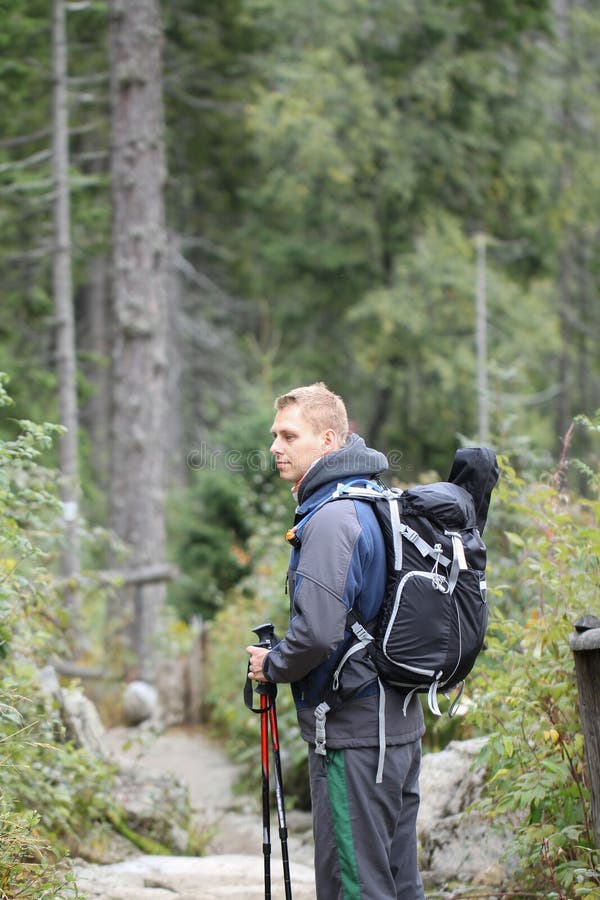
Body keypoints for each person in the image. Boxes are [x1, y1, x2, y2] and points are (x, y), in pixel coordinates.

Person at [246, 382, 426, 900]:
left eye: (288, 435)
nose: (276, 447)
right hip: (398, 726)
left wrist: (272, 664)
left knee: (355, 885)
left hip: (353, 734)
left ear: (328, 440)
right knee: (398, 881)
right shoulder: (376, 501)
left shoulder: (329, 518)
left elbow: (318, 633)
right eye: (274, 435)